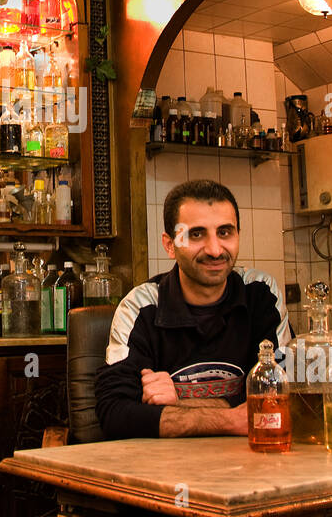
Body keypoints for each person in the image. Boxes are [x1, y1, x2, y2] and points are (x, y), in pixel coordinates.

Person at [94, 179, 289, 439]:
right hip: (163, 471)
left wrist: (181, 401)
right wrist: (230, 419)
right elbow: (115, 414)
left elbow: (284, 394)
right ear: (169, 244)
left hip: (251, 463)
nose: (215, 249)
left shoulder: (261, 293)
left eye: (225, 232)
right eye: (196, 234)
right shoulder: (140, 306)